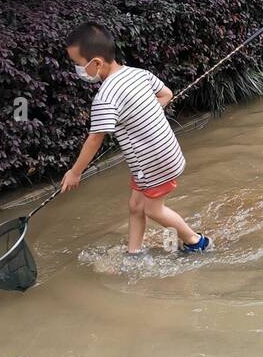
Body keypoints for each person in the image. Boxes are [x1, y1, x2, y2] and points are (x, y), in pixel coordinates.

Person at [62, 23, 211, 256]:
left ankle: (196, 241)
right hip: (166, 153)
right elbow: (166, 94)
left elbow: (94, 140)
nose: (77, 70)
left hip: (152, 163)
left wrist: (75, 172)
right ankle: (134, 253)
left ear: (97, 63)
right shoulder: (138, 74)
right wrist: (149, 110)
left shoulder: (105, 97)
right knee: (135, 206)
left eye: (79, 64)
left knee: (153, 210)